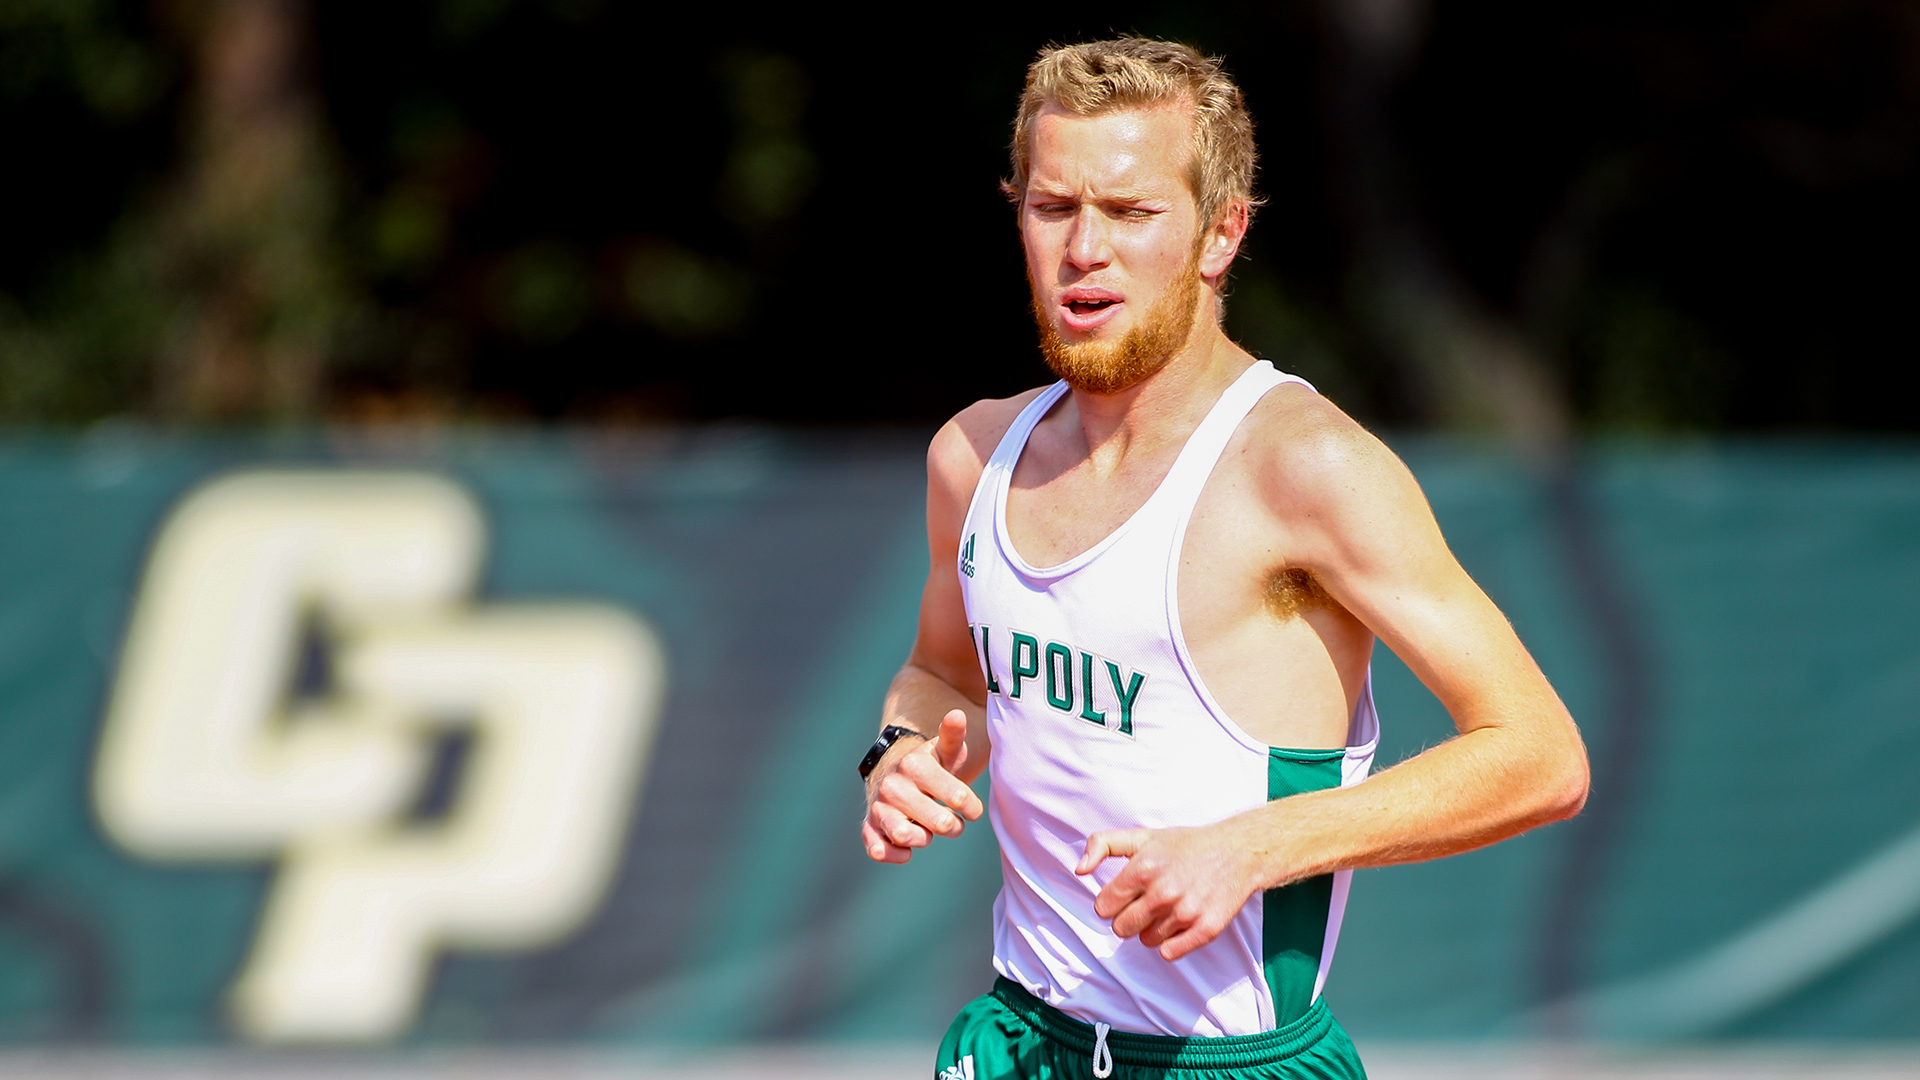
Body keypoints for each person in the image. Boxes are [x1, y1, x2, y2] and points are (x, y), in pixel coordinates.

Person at [855, 38, 1589, 1080]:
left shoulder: (1305, 467)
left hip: (1230, 1062)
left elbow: (1543, 756)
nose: (1084, 250)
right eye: (1054, 208)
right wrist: (898, 752)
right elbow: (937, 675)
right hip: (1018, 1040)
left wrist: (1251, 846)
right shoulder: (974, 456)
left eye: (1131, 212)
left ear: (1220, 233)